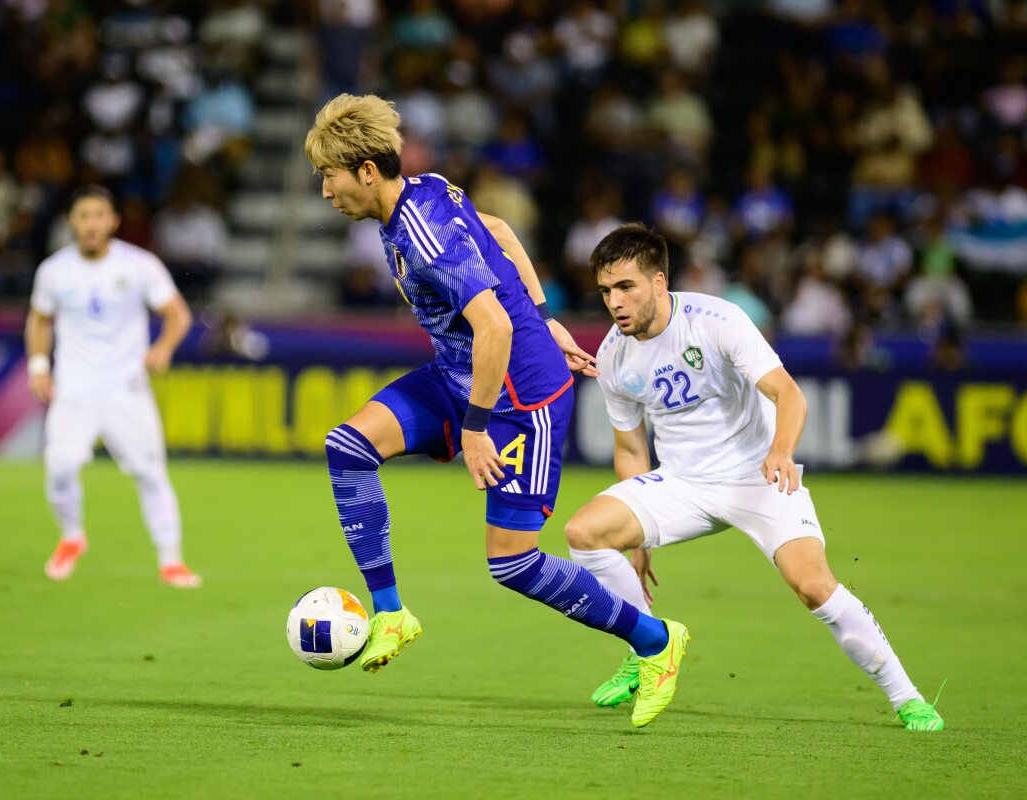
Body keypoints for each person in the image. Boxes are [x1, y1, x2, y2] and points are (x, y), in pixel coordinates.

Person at [305, 94, 690, 727]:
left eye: (330, 175)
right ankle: (391, 613)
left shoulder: (422, 229)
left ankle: (655, 640)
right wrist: (544, 314)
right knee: (348, 446)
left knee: (511, 562)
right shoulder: (422, 193)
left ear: (367, 171)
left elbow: (494, 330)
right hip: (464, 374)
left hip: (518, 398)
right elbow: (502, 234)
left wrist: (477, 428)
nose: (325, 191)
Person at [563, 223, 944, 732]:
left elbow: (790, 395)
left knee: (813, 587)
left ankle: (908, 698)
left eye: (625, 287)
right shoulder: (613, 355)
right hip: (681, 484)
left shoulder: (717, 320)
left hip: (756, 476)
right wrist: (639, 542)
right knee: (583, 534)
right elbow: (631, 448)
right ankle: (648, 647)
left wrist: (781, 452)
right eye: (606, 291)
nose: (615, 302)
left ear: (658, 282)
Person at [25, 185, 200, 588]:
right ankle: (72, 537)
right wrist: (38, 366)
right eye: (83, 215)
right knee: (59, 466)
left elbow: (178, 314)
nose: (91, 224)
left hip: (126, 388)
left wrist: (163, 348)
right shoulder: (53, 271)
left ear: (113, 221)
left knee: (151, 473)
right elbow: (39, 320)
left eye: (98, 215)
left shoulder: (139, 265)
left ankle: (171, 560)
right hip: (74, 389)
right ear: (71, 221)